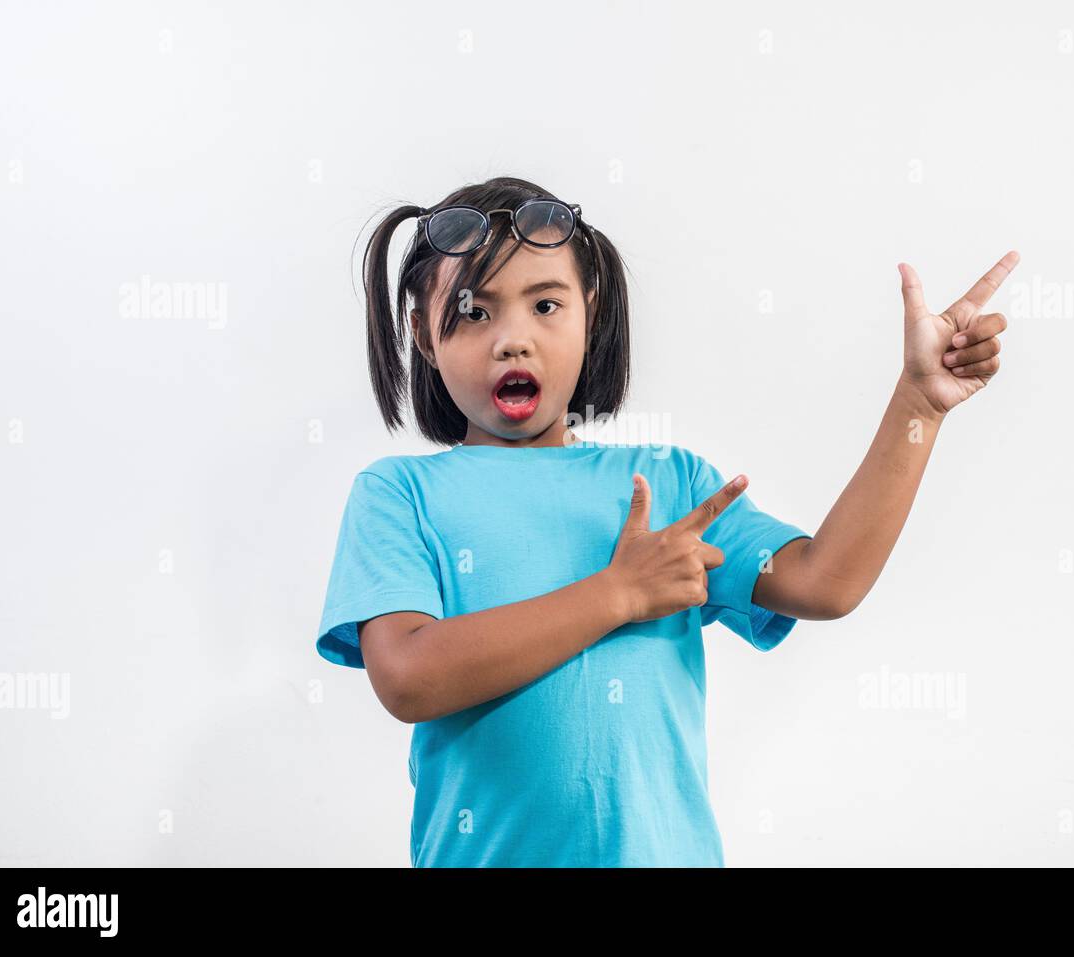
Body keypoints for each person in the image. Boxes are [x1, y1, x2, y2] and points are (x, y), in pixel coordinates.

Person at [316, 175, 1018, 866]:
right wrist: (617, 593)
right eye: (474, 312)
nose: (512, 340)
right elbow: (408, 675)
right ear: (422, 336)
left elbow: (824, 581)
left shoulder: (670, 483)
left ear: (589, 313)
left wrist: (918, 408)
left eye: (546, 304)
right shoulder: (400, 494)